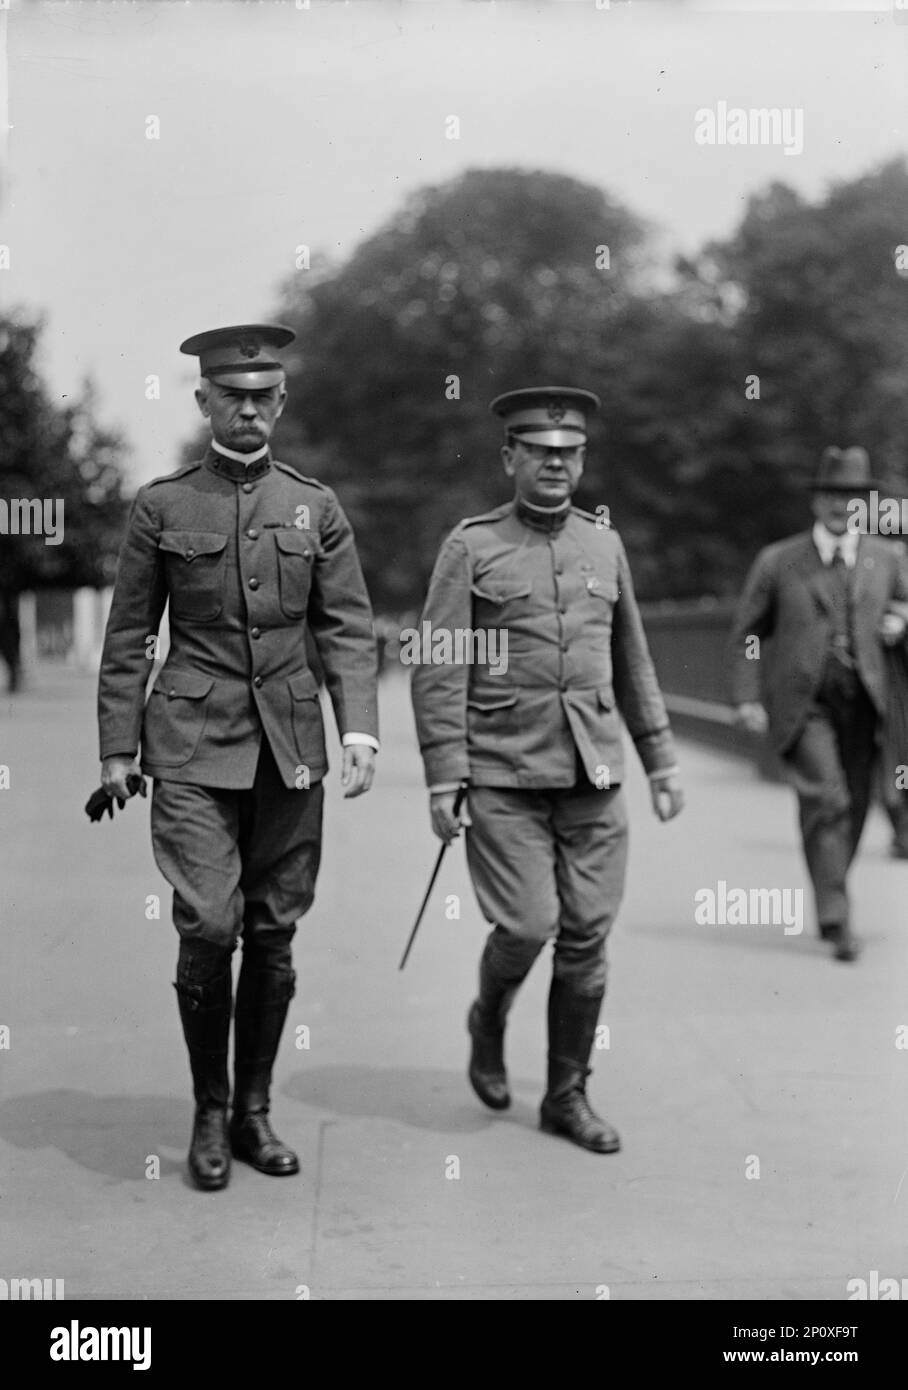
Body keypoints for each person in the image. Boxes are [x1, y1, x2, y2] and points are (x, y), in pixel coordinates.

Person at [97, 324, 378, 1190]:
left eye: (264, 397)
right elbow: (129, 636)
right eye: (233, 397)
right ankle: (209, 1111)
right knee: (209, 925)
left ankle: (255, 1111)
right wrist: (116, 749)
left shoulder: (314, 507)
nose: (249, 409)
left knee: (274, 930)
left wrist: (358, 728)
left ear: (281, 403)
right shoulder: (163, 505)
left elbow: (346, 627)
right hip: (186, 748)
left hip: (290, 748)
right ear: (204, 402)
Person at [410, 387, 684, 1154]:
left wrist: (659, 759)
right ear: (510, 458)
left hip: (593, 773)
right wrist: (443, 774)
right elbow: (438, 667)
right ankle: (488, 1015)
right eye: (541, 453)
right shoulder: (472, 546)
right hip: (502, 772)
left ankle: (566, 1095)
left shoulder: (606, 547)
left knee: (589, 934)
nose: (558, 465)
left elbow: (632, 659)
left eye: (570, 454)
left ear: (582, 460)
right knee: (529, 924)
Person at [730, 446, 908, 962]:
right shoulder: (779, 560)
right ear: (816, 502)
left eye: (853, 497)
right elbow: (746, 632)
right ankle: (836, 915)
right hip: (804, 705)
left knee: (850, 804)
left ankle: (831, 886)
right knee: (826, 799)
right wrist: (745, 696)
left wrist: (902, 621)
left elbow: (905, 607)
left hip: (867, 705)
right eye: (832, 495)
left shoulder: (887, 558)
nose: (841, 506)